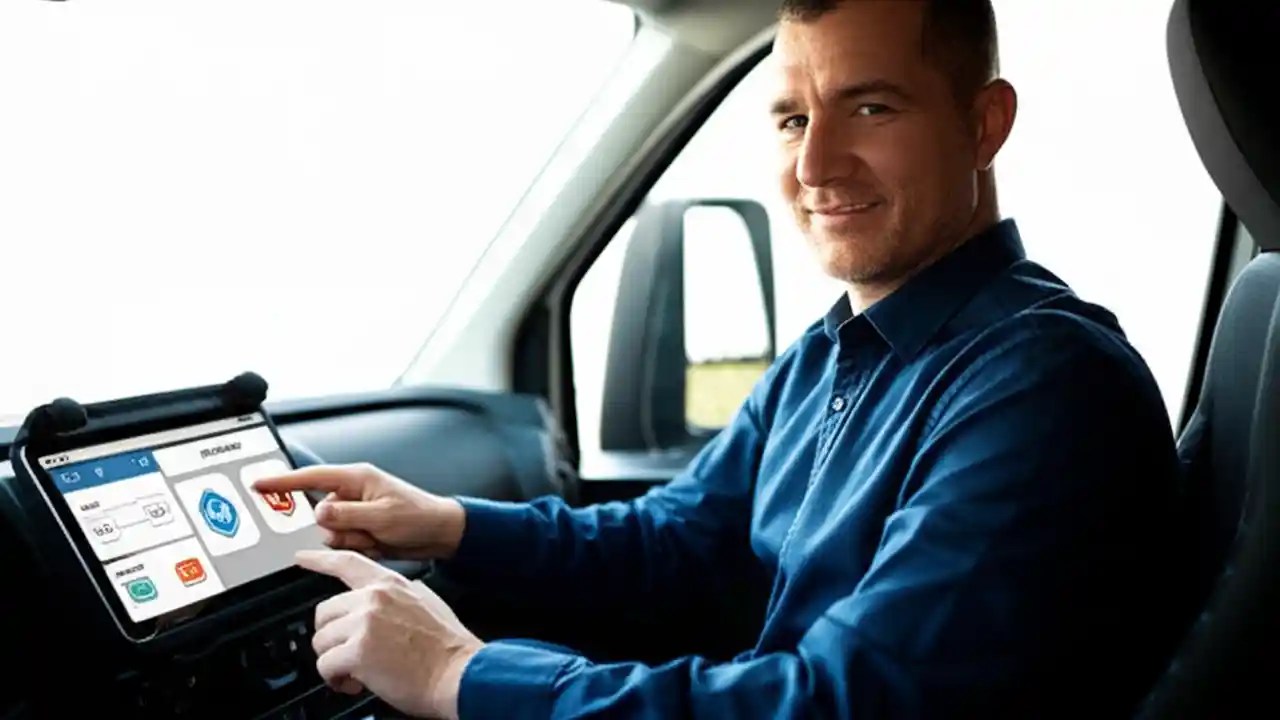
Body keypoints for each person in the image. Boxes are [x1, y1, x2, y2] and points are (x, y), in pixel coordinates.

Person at [256, 1, 1188, 717]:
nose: (816, 165)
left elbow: (837, 704)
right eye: (791, 119)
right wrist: (449, 523)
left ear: (983, 125)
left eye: (870, 106)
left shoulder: (1042, 383)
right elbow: (677, 542)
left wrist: (460, 673)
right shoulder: (831, 355)